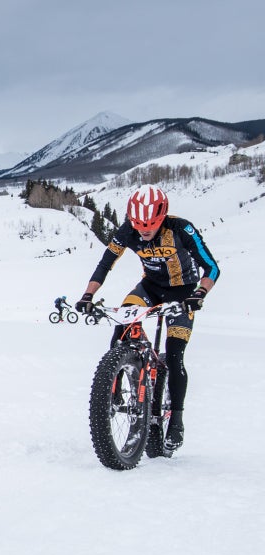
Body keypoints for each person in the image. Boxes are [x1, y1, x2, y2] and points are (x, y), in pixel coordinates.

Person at [75, 184, 220, 452]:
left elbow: (211, 266)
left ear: (162, 217)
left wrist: (200, 293)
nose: (144, 230)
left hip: (184, 292)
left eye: (150, 225)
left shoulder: (181, 229)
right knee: (122, 324)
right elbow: (105, 264)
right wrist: (87, 295)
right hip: (150, 288)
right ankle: (114, 388)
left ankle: (176, 418)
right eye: (139, 225)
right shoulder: (127, 230)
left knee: (174, 354)